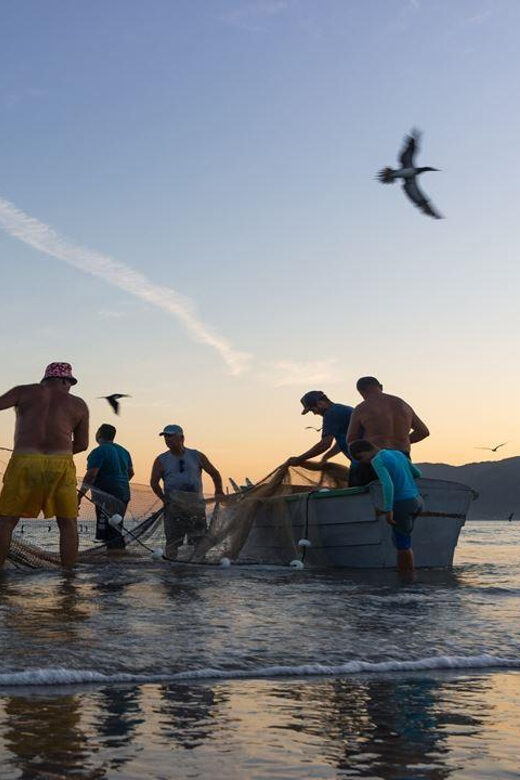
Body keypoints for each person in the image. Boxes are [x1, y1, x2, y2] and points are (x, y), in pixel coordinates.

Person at [0, 362, 89, 569]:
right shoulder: (79, 404)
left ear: (46, 378)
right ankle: (69, 581)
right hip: (61, 464)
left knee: (5, 522)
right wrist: (59, 452)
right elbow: (83, 444)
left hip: (25, 461)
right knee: (67, 523)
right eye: (70, 383)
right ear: (65, 380)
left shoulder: (23, 392)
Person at [348, 439, 424, 574]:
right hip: (417, 501)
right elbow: (417, 473)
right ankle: (407, 573)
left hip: (402, 503)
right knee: (403, 539)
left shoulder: (377, 460)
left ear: (365, 451)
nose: (364, 462)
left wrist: (388, 510)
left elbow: (387, 485)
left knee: (403, 544)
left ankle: (406, 577)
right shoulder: (398, 454)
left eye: (361, 458)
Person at [150, 424, 225, 559]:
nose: (168, 440)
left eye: (171, 436)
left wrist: (218, 491)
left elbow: (214, 473)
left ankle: (198, 568)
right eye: (165, 437)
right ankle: (172, 568)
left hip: (195, 505)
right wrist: (164, 498)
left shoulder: (196, 455)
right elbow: (154, 483)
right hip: (173, 507)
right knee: (173, 540)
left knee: (198, 539)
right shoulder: (161, 460)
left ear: (182, 438)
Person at [347, 377, 429, 486]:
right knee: (400, 493)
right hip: (401, 457)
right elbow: (423, 432)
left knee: (365, 496)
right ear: (380, 387)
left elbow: (351, 439)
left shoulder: (362, 408)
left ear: (361, 392)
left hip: (375, 458)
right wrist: (402, 440)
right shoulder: (403, 405)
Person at [79, 424, 134, 550]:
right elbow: (130, 473)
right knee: (116, 526)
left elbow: (91, 475)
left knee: (109, 531)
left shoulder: (98, 451)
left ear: (99, 434)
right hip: (123, 495)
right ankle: (116, 561)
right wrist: (119, 483)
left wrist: (80, 496)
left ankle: (113, 562)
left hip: (106, 496)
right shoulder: (124, 451)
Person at [286, 390, 354, 467]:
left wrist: (299, 459)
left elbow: (325, 444)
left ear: (320, 403)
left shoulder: (331, 413)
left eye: (312, 410)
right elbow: (342, 442)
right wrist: (326, 457)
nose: (314, 414)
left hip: (362, 462)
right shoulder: (340, 409)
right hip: (366, 459)